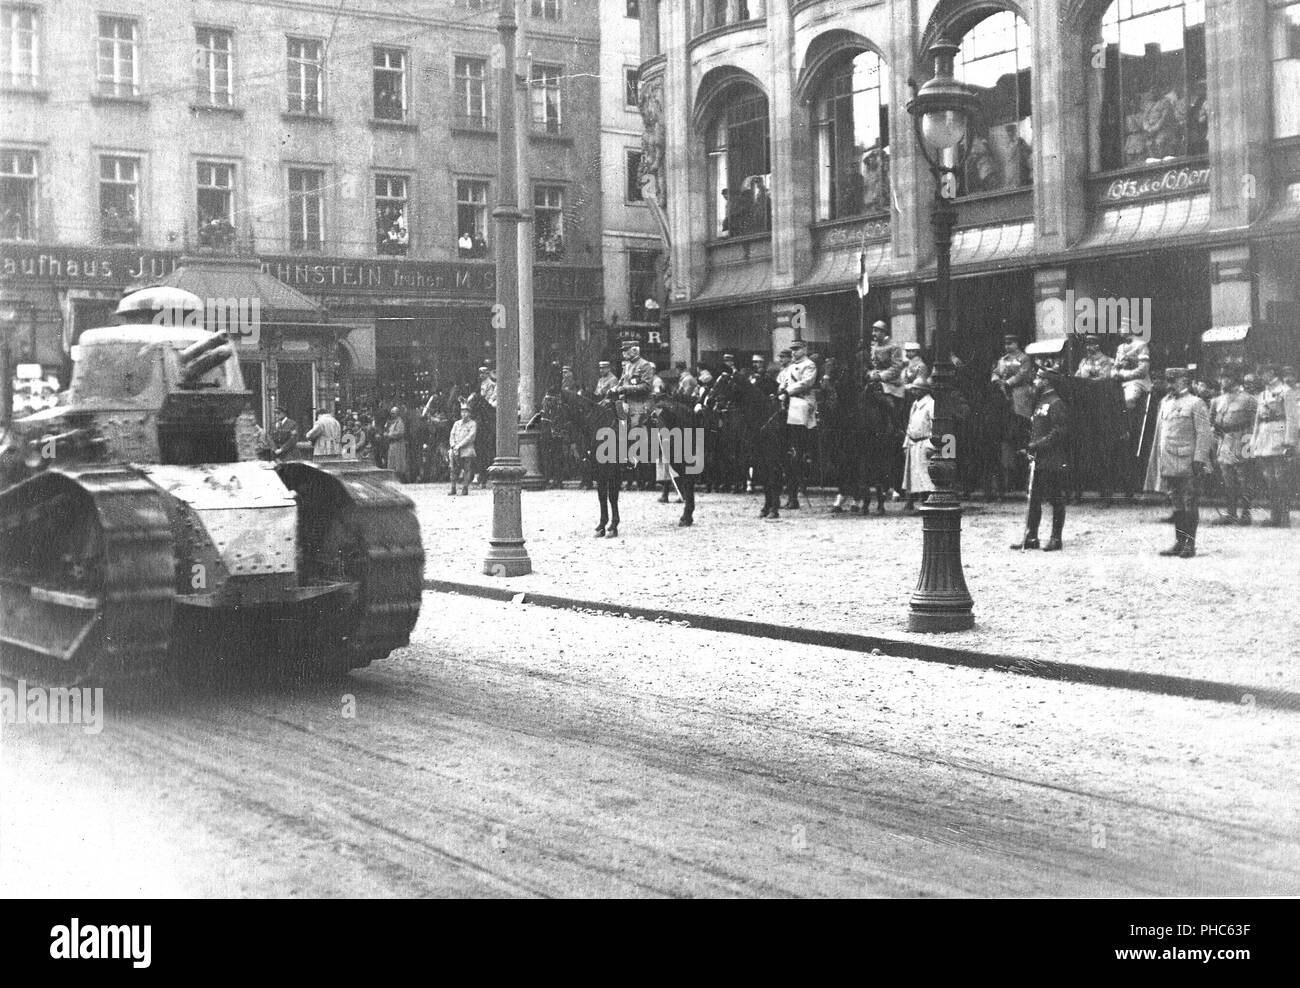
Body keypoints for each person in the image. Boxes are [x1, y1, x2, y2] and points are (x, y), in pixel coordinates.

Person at [1011, 362, 1070, 551]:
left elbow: (1060, 432)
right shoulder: (1040, 402)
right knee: (1034, 498)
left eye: (1038, 378)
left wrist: (1037, 445)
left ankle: (1055, 538)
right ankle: (1031, 536)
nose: (1035, 381)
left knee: (1055, 498)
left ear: (1046, 381)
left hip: (1052, 458)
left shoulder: (1056, 403)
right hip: (1038, 458)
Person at [1156, 367, 1212, 557]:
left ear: (1185, 381)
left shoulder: (1196, 403)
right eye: (1168, 380)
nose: (1169, 384)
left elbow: (1204, 434)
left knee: (1189, 502)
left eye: (1174, 380)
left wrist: (1199, 459)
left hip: (1188, 461)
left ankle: (1190, 544)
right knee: (1176, 503)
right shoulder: (1165, 403)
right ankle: (1179, 542)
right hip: (1170, 461)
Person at [1249, 363, 1298, 528]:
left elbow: (1291, 419)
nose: (1260, 377)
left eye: (1262, 373)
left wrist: (1289, 442)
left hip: (1279, 439)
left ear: (1270, 372)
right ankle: (1274, 516)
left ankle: (1284, 517)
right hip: (1264, 439)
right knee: (1269, 480)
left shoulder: (1286, 391)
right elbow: (1258, 419)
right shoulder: (1263, 394)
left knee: (1280, 479)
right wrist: (1253, 440)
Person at [1210, 367, 1257, 525]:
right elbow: (1212, 422)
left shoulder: (1248, 399)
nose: (1223, 381)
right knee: (1227, 478)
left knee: (1244, 477)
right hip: (1225, 441)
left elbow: (1254, 422)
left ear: (1235, 380)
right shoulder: (1217, 400)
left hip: (1242, 439)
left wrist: (1251, 443)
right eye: (1222, 377)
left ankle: (1245, 513)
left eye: (1227, 377)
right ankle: (1230, 513)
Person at [990, 333, 1036, 495]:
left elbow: (1023, 374)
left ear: (1017, 344)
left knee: (1022, 429)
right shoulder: (1003, 359)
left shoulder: (1024, 358)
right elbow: (995, 372)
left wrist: (1008, 382)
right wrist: (997, 380)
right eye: (1006, 343)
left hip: (1020, 395)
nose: (1008, 346)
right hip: (1004, 398)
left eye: (1011, 343)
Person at [779, 339, 818, 510]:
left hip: (803, 401)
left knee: (798, 409)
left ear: (804, 349)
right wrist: (781, 391)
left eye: (797, 349)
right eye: (792, 349)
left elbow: (805, 383)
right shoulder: (789, 367)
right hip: (788, 401)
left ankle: (797, 446)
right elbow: (784, 383)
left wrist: (787, 392)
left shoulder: (809, 365)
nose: (794, 352)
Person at [901, 379, 936, 510]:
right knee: (913, 474)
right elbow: (910, 425)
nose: (913, 391)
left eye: (916, 389)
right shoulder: (915, 404)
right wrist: (906, 443)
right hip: (913, 442)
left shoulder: (931, 404)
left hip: (924, 442)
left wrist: (931, 445)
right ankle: (912, 501)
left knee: (925, 475)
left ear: (923, 390)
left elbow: (934, 426)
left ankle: (927, 501)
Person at [615, 341, 656, 429]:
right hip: (626, 403)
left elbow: (646, 386)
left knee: (636, 427)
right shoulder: (627, 366)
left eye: (626, 350)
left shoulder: (645, 365)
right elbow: (621, 382)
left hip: (641, 403)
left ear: (635, 350)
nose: (624, 353)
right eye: (623, 351)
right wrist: (615, 388)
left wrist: (625, 388)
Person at [866, 321, 905, 406]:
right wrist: (871, 373)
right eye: (873, 331)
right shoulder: (874, 346)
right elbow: (874, 365)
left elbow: (896, 368)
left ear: (883, 332)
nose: (873, 333)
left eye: (876, 331)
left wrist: (881, 376)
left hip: (892, 385)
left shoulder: (894, 346)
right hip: (877, 382)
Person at [447, 401, 477, 495]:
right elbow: (452, 435)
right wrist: (453, 445)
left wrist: (459, 445)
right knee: (453, 470)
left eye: (466, 412)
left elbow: (471, 437)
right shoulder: (456, 424)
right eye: (462, 412)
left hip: (467, 450)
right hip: (455, 450)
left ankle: (465, 488)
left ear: (470, 413)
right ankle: (453, 488)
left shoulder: (473, 424)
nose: (464, 414)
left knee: (467, 469)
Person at [385, 405, 409, 482]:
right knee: (391, 462)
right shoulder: (392, 423)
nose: (392, 415)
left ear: (397, 414)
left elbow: (400, 433)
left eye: (393, 413)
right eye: (391, 413)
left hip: (398, 444)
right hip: (392, 444)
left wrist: (389, 435)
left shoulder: (400, 422)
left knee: (398, 463)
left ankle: (401, 479)